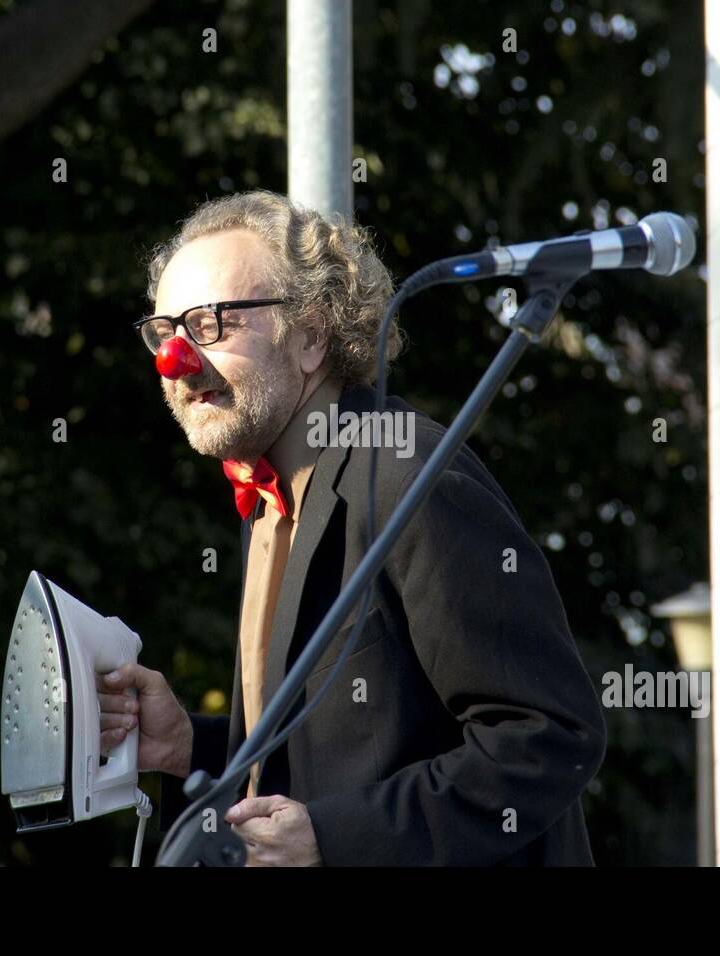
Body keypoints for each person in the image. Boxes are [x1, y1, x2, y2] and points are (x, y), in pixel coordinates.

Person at [97, 189, 606, 865]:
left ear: (310, 336)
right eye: (164, 332)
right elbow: (336, 755)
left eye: (212, 322)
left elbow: (549, 737)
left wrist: (338, 838)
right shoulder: (272, 501)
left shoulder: (408, 476)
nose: (176, 362)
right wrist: (190, 744)